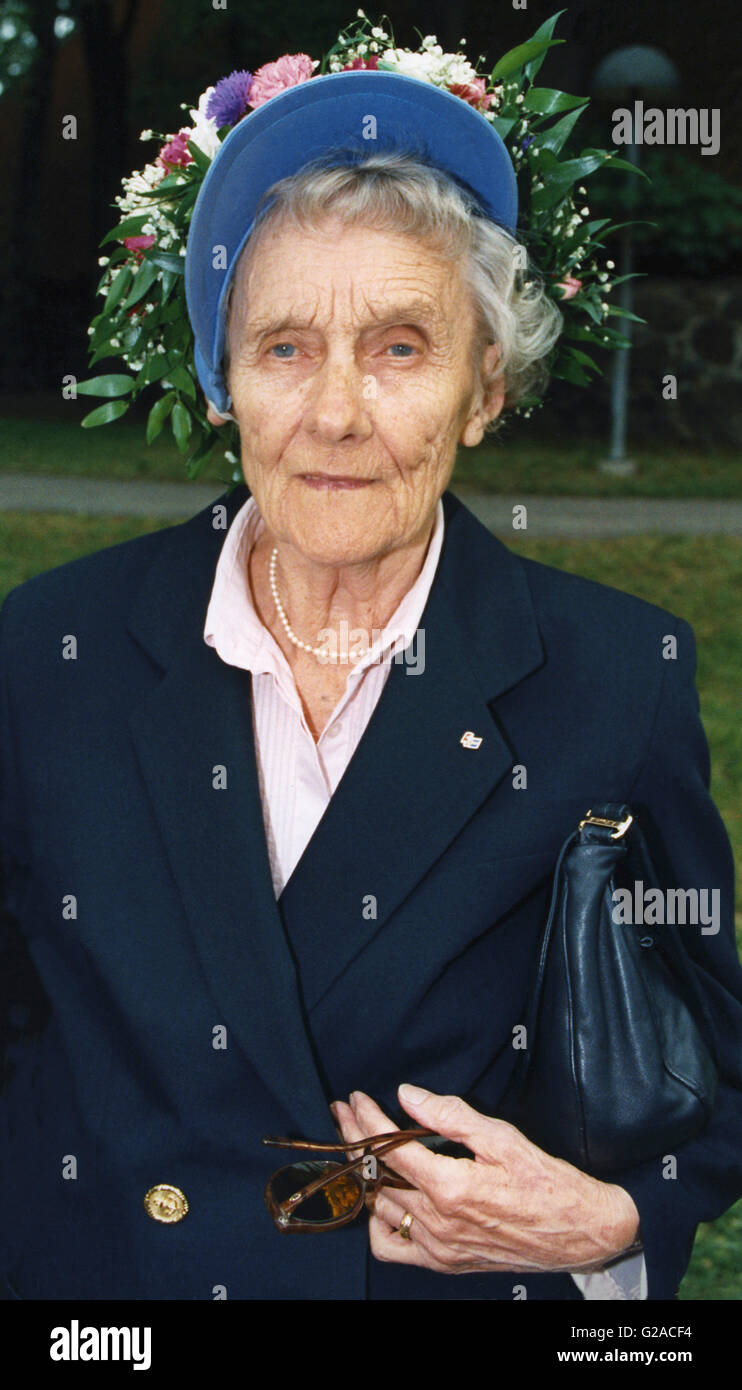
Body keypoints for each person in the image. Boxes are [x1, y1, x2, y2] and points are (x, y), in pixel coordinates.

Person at [2, 64, 741, 1304]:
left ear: (486, 389)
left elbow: (716, 1056)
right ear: (221, 379)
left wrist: (609, 1219)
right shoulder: (47, 652)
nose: (336, 412)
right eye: (285, 347)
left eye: (400, 347)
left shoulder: (617, 681)